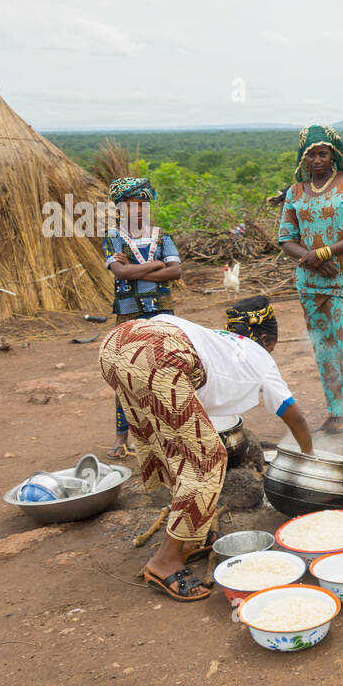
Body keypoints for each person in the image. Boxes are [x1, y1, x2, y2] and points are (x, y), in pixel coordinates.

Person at [98, 296, 314, 601]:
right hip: (158, 356)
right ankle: (165, 562)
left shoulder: (219, 339)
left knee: (171, 446)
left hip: (117, 343)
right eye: (272, 345)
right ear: (265, 339)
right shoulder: (260, 357)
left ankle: (191, 536)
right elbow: (297, 419)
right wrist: (309, 458)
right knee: (209, 461)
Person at [277, 125, 343, 457]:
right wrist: (309, 260)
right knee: (326, 352)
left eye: (322, 152)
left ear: (334, 154)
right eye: (310, 153)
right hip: (312, 286)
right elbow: (285, 238)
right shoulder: (295, 191)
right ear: (303, 157)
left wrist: (325, 253)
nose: (316, 159)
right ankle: (336, 416)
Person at [102, 177, 183, 457]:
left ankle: (168, 431)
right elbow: (121, 274)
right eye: (131, 205)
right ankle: (122, 436)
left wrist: (137, 269)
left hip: (162, 313)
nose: (138, 210)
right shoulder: (112, 237)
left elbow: (175, 272)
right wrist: (157, 263)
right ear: (120, 208)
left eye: (142, 204)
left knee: (165, 370)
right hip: (129, 314)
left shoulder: (162, 236)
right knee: (125, 373)